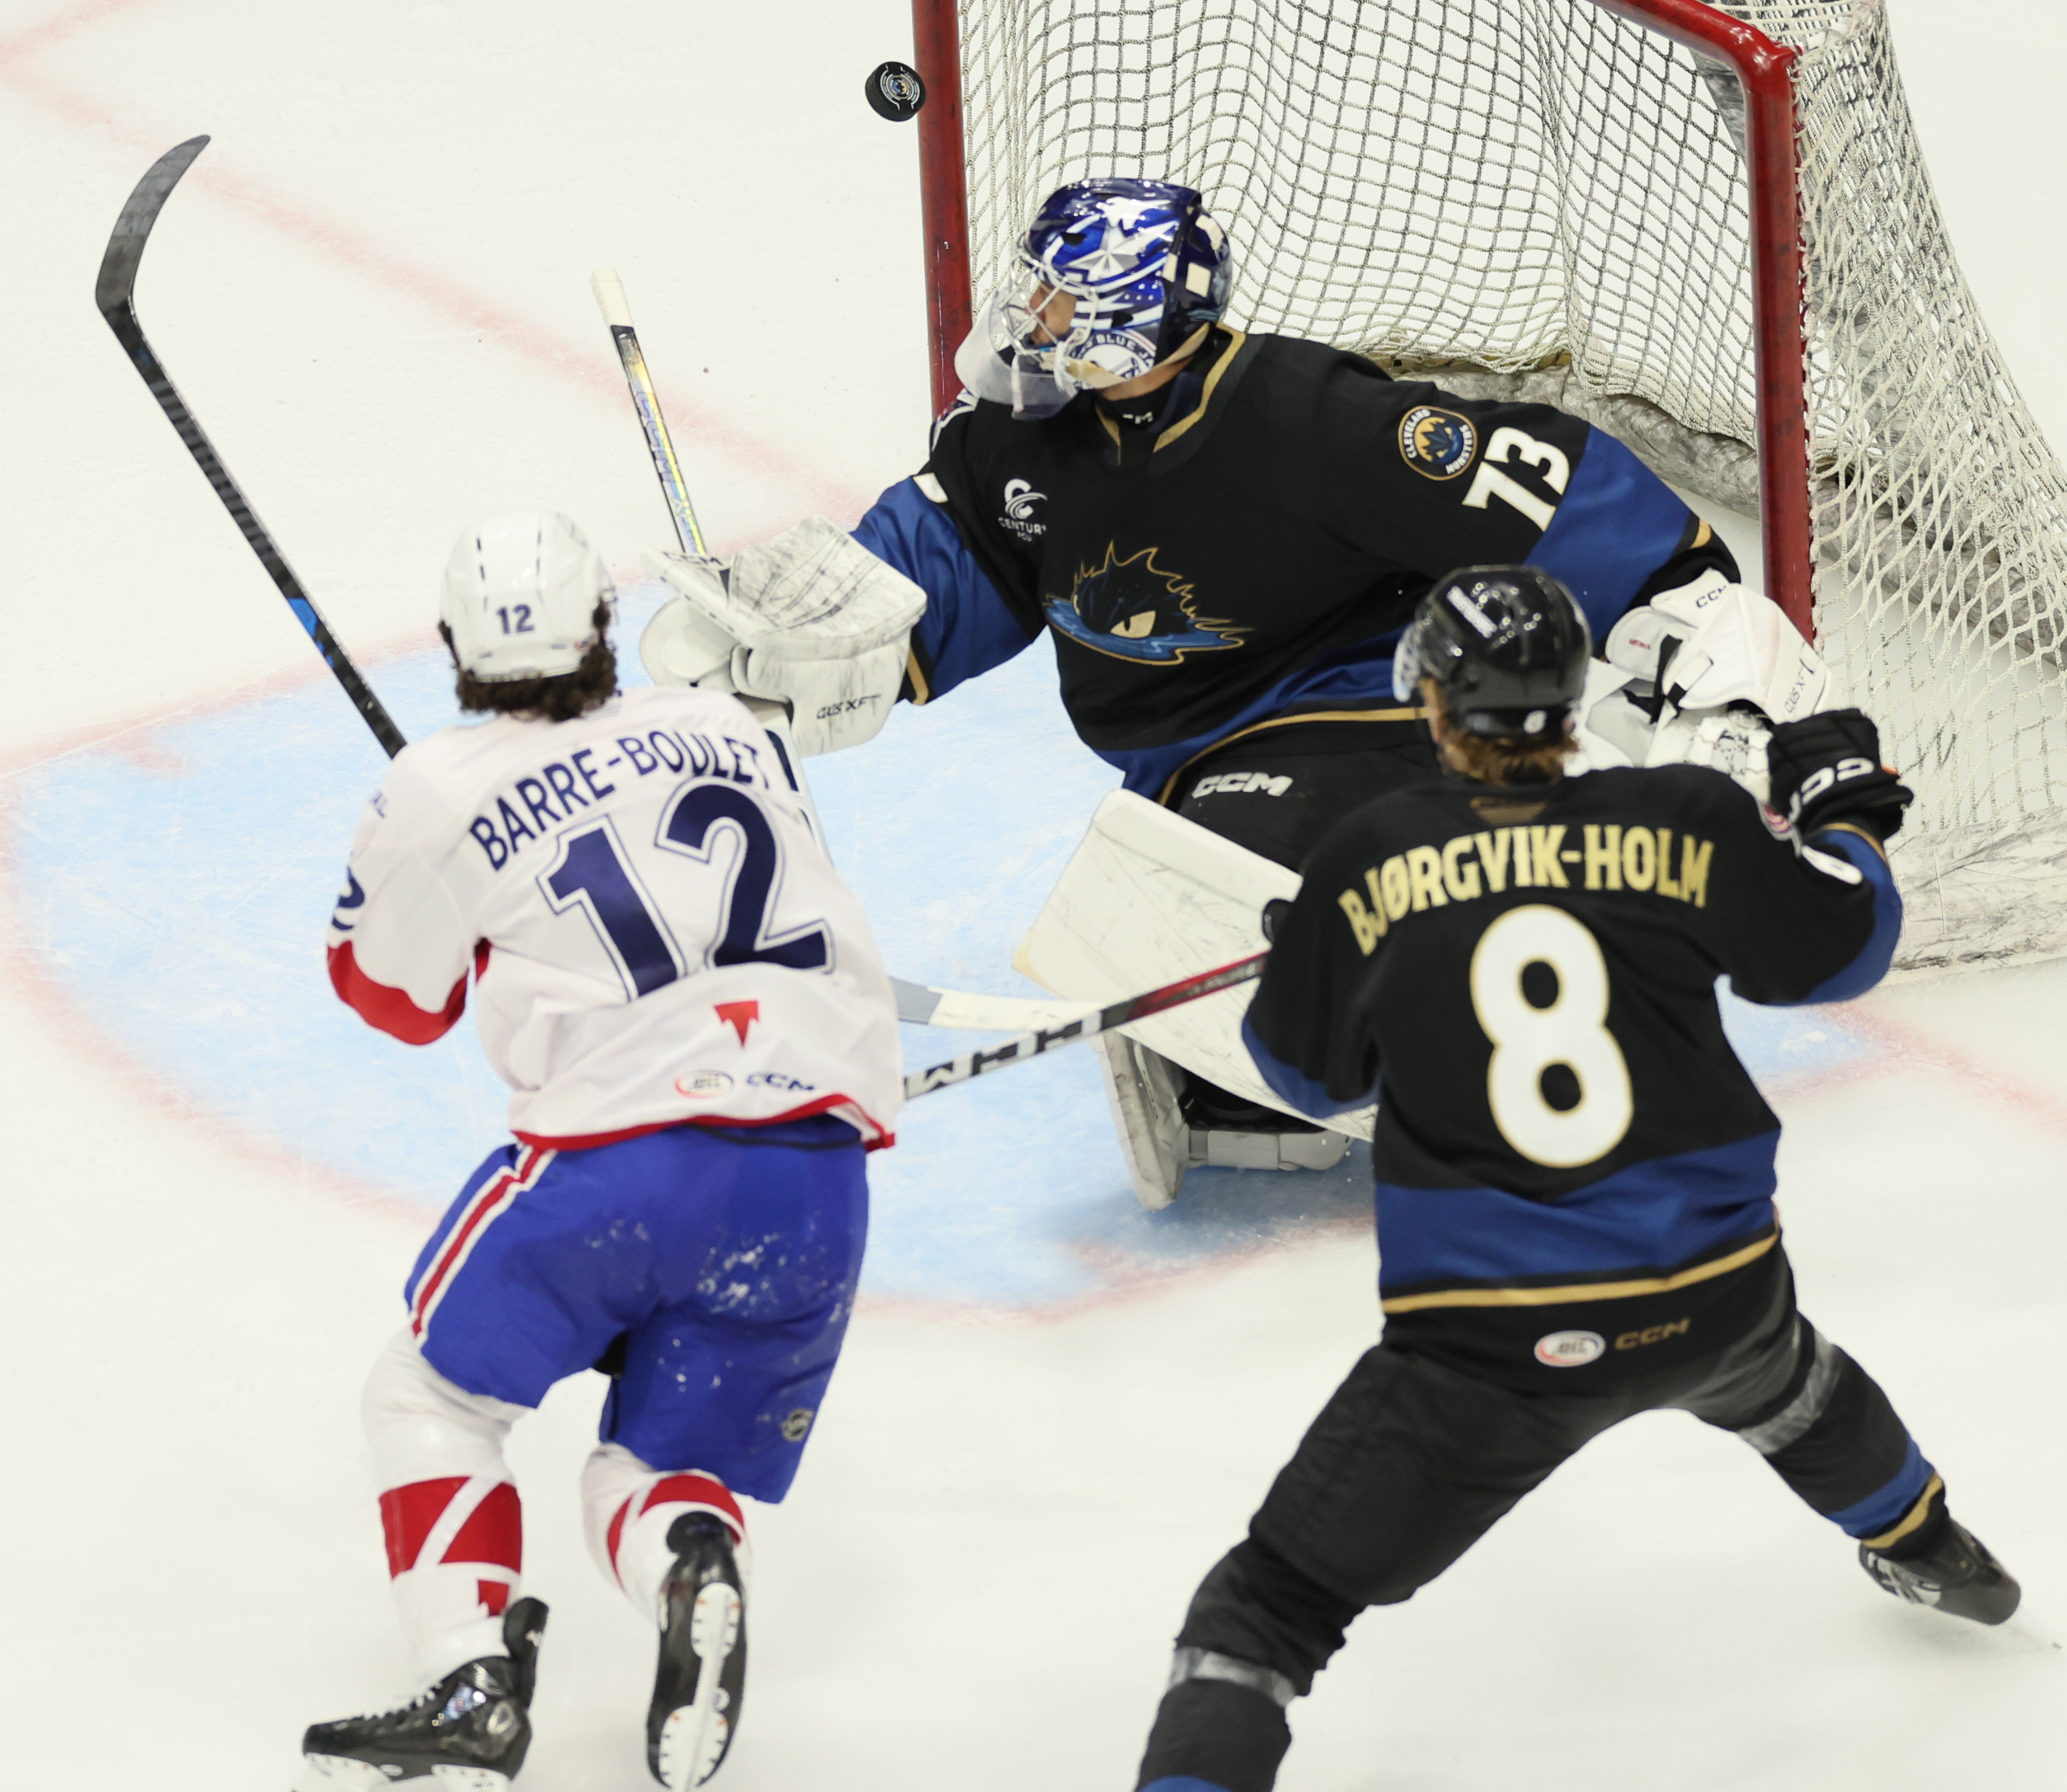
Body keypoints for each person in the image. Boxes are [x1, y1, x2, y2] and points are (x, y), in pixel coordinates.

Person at [639, 177, 1827, 1182]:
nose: (1032, 314)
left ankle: (1518, 1043)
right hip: (1187, 758)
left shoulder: (1314, 424)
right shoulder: (1019, 432)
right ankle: (1294, 1077)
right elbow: (952, 563)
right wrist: (811, 640)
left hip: (1364, 706)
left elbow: (1541, 483)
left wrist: (1681, 603)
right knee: (1192, 947)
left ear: (1144, 321)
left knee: (1292, 899)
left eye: (1065, 297)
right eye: (1036, 285)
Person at [1129, 566, 2021, 1792]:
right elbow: (1848, 942)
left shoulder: (1368, 857)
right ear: (1568, 700)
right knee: (1789, 1379)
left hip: (1485, 1353)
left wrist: (1327, 956)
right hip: (1714, 1292)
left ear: (1434, 705)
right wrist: (1845, 809)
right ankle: (1938, 1549)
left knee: (1264, 1610)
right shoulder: (1688, 817)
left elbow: (1307, 1076)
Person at [296, 512, 903, 1792]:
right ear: (601, 625)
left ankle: (469, 1678)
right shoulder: (730, 725)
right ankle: (691, 1560)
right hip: (812, 1170)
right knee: (656, 1462)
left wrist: (448, 867)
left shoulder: (438, 782)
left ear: (456, 644)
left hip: (621, 1165)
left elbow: (392, 1002)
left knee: (429, 1400)